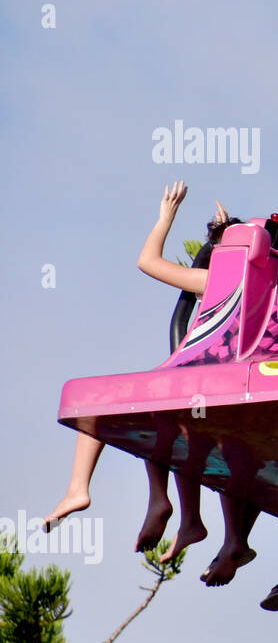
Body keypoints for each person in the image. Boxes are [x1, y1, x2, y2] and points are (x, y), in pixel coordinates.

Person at [42, 188, 241, 554]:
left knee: (99, 403)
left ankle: (79, 489)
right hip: (225, 386)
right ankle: (174, 511)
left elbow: (148, 261)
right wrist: (228, 229)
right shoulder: (265, 284)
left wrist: (166, 218)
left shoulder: (220, 284)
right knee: (159, 416)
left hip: (211, 383)